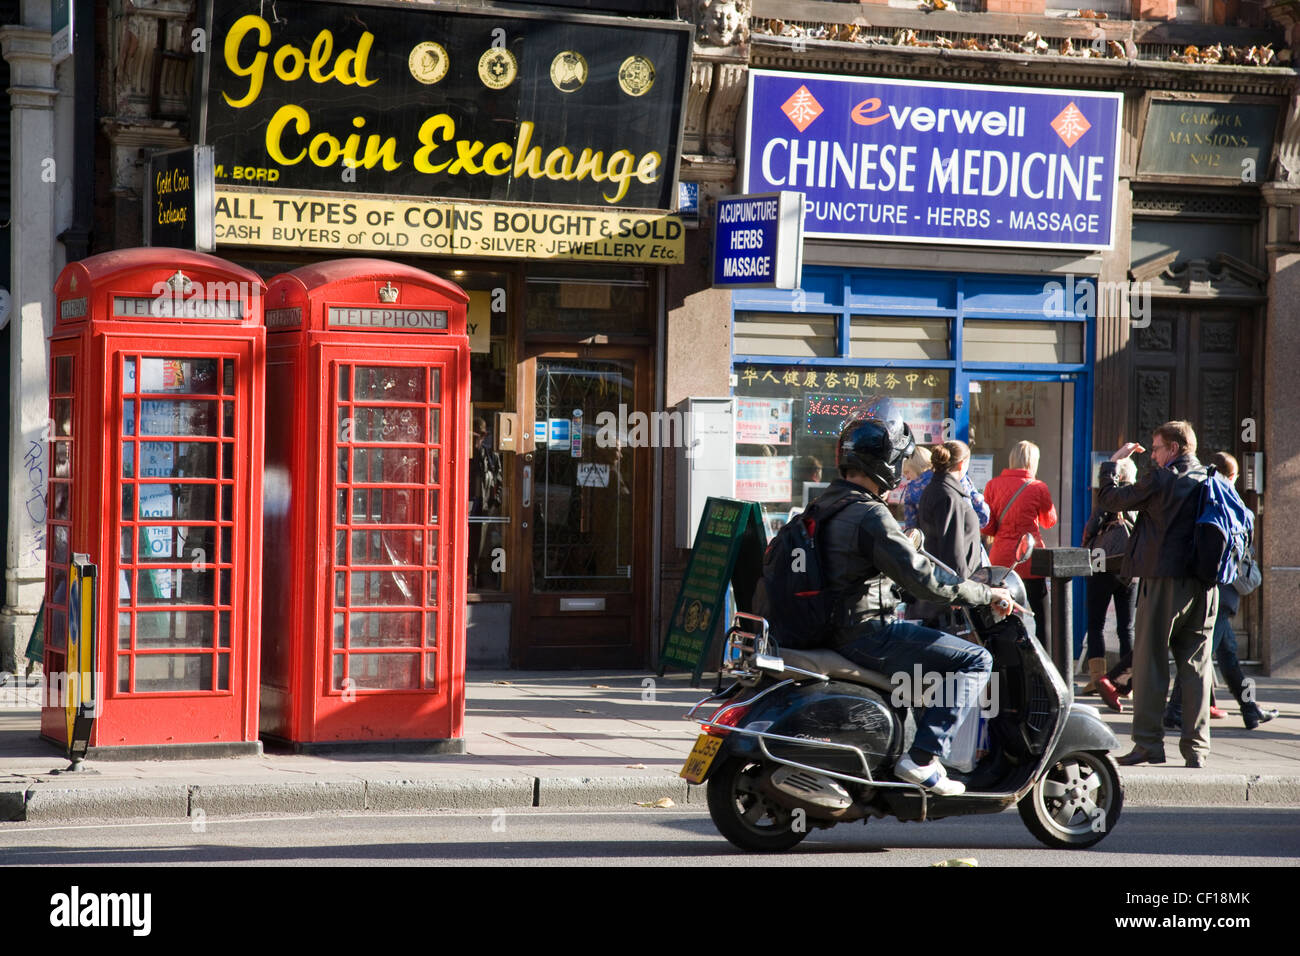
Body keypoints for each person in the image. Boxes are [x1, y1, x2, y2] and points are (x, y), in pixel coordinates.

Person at [818, 418, 1014, 796]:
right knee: (976, 660)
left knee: (925, 672)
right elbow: (927, 579)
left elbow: (853, 571)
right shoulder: (870, 514)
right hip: (867, 633)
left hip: (834, 628)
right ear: (886, 464)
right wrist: (985, 594)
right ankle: (923, 758)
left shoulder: (827, 503)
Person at [1097, 421, 1216, 768]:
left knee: (1149, 663)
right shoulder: (1211, 478)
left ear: (1174, 449)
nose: (1153, 454)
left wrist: (1112, 466)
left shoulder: (1162, 479)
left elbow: (1111, 499)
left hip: (1163, 580)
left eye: (1157, 447)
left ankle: (1148, 744)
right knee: (1196, 667)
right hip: (1205, 585)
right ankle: (1197, 749)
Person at [1163, 452, 1279, 732]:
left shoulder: (1203, 494)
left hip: (1217, 593)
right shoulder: (1226, 499)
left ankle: (1250, 710)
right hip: (1220, 593)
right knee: (1200, 658)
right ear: (1233, 476)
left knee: (1228, 659)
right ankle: (1175, 710)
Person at [982, 441, 1057, 629]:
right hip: (1031, 557)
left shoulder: (992, 485)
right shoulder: (1038, 487)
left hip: (1001, 561)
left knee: (1002, 615)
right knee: (1042, 616)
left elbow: (987, 528)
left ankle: (1007, 657)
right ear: (1034, 462)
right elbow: (1050, 521)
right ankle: (1043, 655)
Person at [1079, 458, 1138, 697]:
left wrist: (1087, 545)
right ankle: (1127, 682)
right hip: (1128, 569)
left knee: (1096, 624)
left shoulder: (1109, 499)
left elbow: (1092, 528)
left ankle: (1097, 680)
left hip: (1102, 566)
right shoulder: (1139, 499)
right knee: (1127, 627)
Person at [916, 440, 984, 627]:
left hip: (940, 588)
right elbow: (952, 546)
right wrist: (959, 589)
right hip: (948, 595)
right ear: (962, 464)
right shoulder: (948, 494)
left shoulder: (936, 489)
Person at [902, 445, 990, 532]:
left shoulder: (913, 489)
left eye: (907, 472)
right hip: (966, 539)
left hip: (932, 543)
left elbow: (911, 527)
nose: (906, 477)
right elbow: (983, 515)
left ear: (917, 467)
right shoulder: (961, 479)